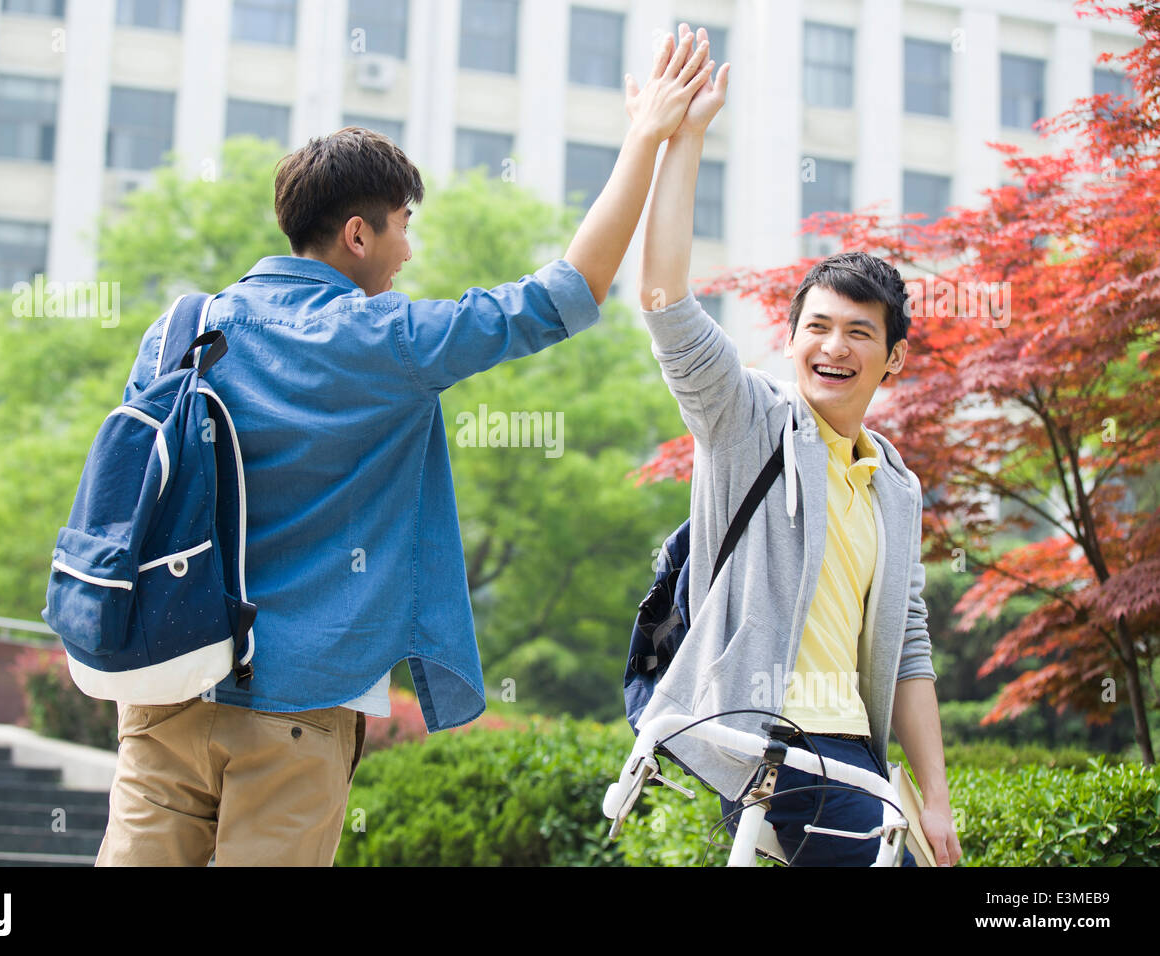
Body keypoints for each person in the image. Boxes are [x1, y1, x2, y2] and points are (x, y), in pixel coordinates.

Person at [95, 29, 717, 866]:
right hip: (297, 700)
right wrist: (647, 138)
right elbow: (565, 293)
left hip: (161, 679)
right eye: (402, 227)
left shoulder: (182, 326)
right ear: (358, 234)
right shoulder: (384, 338)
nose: (408, 249)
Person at [635, 25, 963, 867]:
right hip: (764, 737)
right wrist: (686, 138)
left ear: (891, 360)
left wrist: (936, 800)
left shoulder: (895, 484)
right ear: (791, 341)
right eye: (817, 325)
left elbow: (909, 643)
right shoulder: (747, 421)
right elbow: (667, 302)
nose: (834, 346)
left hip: (853, 750)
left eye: (860, 332)